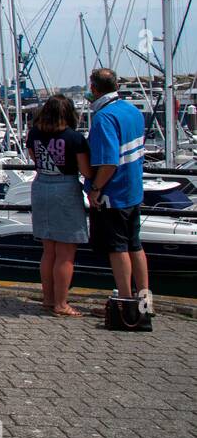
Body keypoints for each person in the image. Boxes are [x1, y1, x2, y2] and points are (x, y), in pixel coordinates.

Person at [85, 67, 151, 311]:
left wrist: (96, 189)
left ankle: (126, 302)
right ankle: (144, 302)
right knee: (135, 245)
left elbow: (109, 162)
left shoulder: (104, 117)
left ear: (94, 88)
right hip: (134, 189)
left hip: (114, 193)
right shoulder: (132, 111)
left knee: (118, 248)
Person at [26, 94, 92, 316]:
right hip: (64, 188)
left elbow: (35, 160)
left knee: (49, 251)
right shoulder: (74, 138)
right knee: (65, 252)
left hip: (41, 185)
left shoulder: (34, 133)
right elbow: (85, 171)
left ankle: (48, 299)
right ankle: (61, 304)